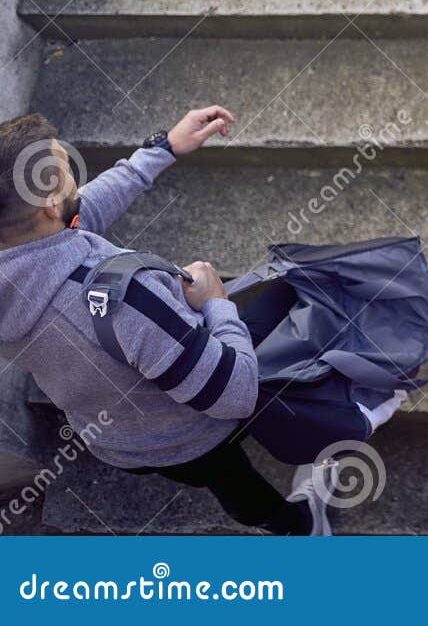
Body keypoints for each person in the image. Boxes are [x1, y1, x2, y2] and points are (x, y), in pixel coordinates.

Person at [0, 108, 337, 535]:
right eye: (66, 171)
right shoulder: (125, 298)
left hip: (111, 439)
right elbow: (234, 395)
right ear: (50, 205)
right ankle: (300, 525)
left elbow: (80, 213)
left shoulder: (22, 247)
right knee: (288, 288)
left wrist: (163, 149)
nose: (75, 180)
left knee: (224, 481)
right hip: (188, 437)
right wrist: (215, 303)